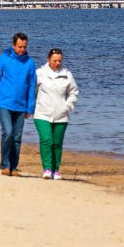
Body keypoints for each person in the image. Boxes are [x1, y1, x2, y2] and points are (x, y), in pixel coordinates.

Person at [0, 32, 37, 176]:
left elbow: (32, 85)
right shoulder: (3, 60)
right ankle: (5, 164)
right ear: (13, 45)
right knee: (8, 132)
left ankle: (14, 167)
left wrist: (30, 107)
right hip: (3, 103)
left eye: (24, 47)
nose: (22, 49)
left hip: (21, 106)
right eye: (19, 46)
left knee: (17, 137)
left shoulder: (30, 63)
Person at [33, 48, 79, 180]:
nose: (57, 63)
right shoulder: (39, 73)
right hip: (42, 114)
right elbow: (33, 92)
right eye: (54, 60)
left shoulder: (67, 74)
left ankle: (56, 170)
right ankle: (47, 169)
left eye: (59, 60)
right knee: (47, 140)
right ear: (48, 60)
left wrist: (68, 106)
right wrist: (30, 107)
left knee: (57, 143)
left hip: (61, 115)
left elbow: (74, 92)